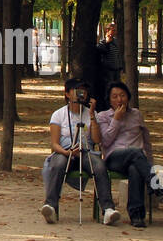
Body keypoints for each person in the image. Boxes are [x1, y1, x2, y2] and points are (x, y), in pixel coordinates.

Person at [40, 78, 121, 226]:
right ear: (67, 94)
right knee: (57, 164)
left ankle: (108, 209)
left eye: (83, 90)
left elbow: (96, 140)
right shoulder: (58, 115)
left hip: (85, 151)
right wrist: (66, 152)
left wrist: (91, 115)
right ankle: (50, 206)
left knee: (99, 166)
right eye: (77, 90)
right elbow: (54, 144)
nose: (81, 93)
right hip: (64, 152)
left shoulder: (91, 113)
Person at [96, 81, 154, 228]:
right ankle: (155, 184)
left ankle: (137, 216)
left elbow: (146, 140)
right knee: (136, 152)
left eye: (122, 96)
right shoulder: (103, 116)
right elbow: (105, 142)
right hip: (115, 158)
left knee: (135, 167)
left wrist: (150, 162)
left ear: (128, 97)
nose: (119, 100)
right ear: (109, 100)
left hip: (138, 160)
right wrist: (116, 119)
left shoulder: (136, 114)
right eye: (114, 96)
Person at [96, 24, 123, 109]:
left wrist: (120, 67)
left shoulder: (116, 42)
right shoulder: (102, 42)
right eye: (113, 30)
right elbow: (101, 52)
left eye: (115, 30)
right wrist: (107, 43)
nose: (114, 32)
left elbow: (118, 55)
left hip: (116, 70)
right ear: (107, 31)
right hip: (108, 71)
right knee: (109, 88)